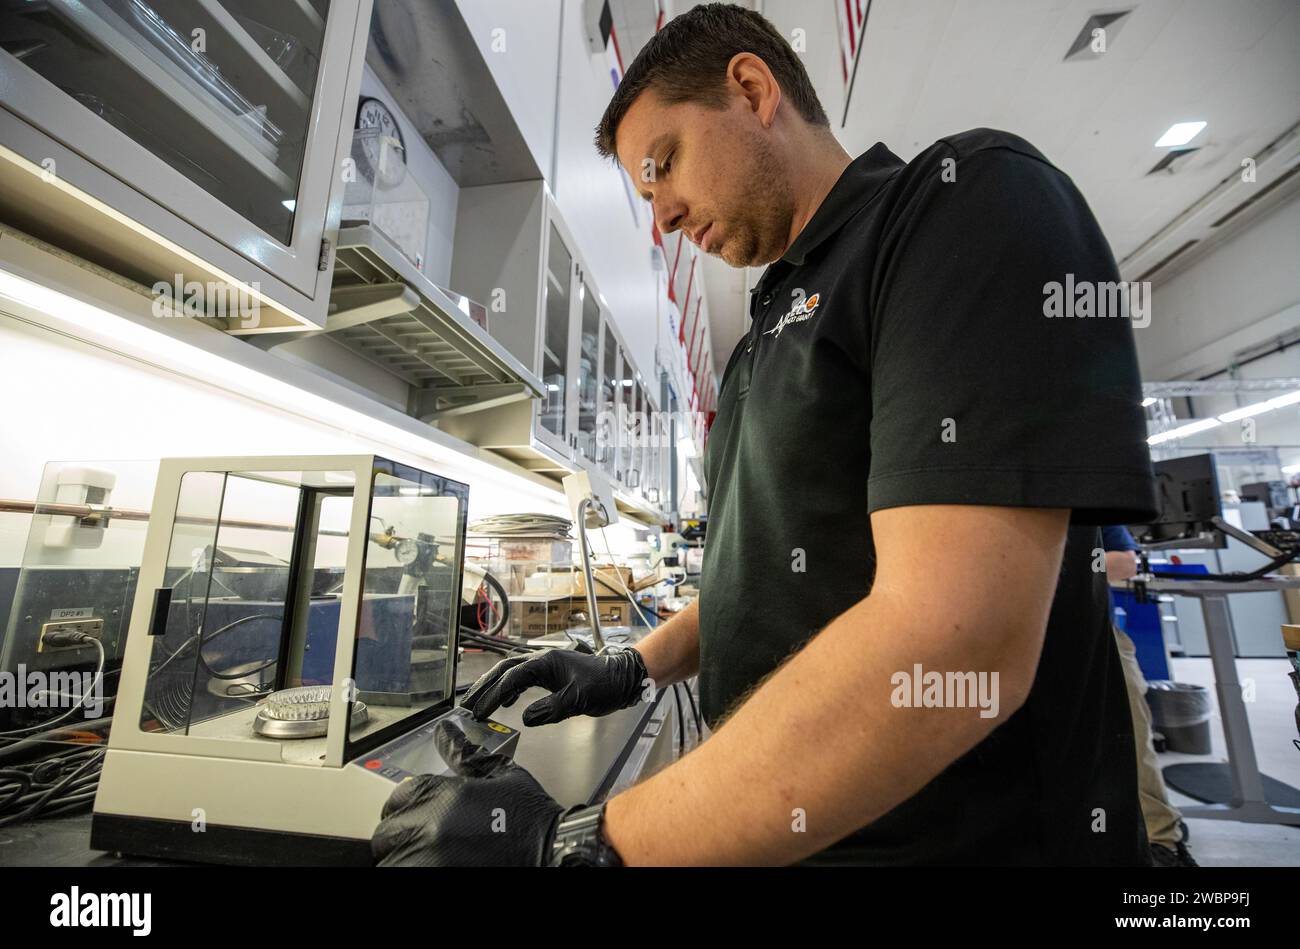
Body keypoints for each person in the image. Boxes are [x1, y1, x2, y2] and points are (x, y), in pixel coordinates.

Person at [371, 3, 1157, 866]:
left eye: (664, 164)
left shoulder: (956, 208)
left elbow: (952, 640)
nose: (663, 216)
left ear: (751, 88)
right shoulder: (762, 338)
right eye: (646, 197)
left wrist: (573, 846)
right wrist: (636, 664)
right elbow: (785, 573)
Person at [1102, 525, 1198, 866]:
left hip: (1095, 632)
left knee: (1130, 730)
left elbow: (1124, 563)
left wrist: (1051, 561)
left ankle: (1163, 840)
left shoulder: (1088, 494)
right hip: (1011, 633)